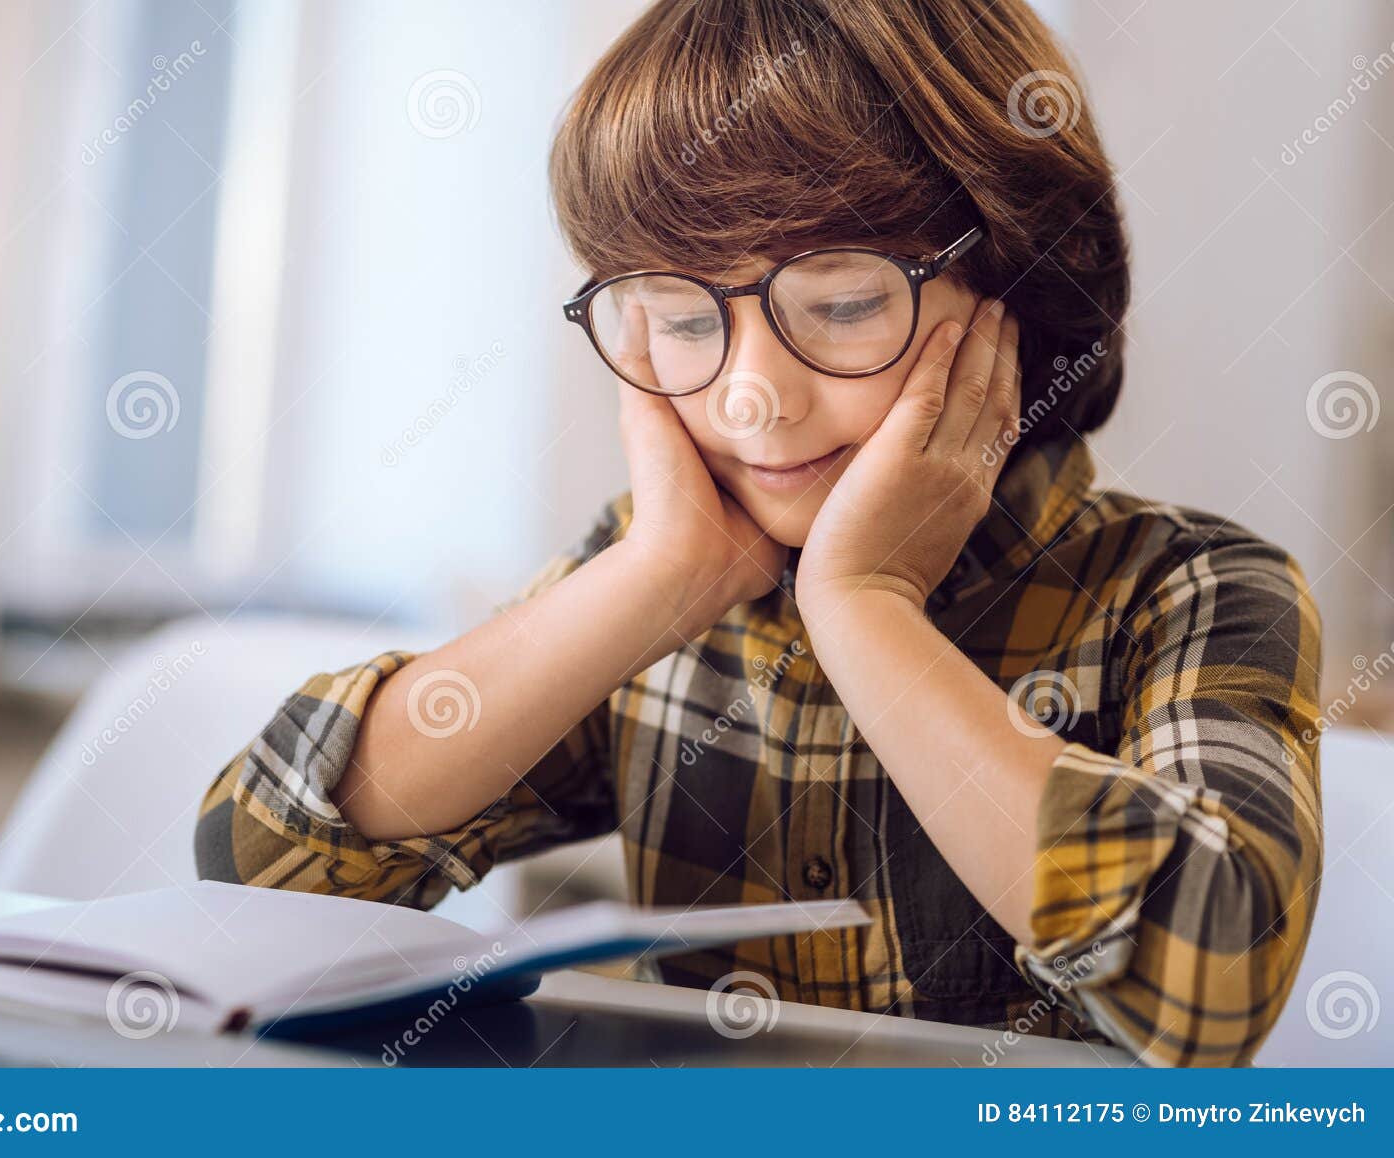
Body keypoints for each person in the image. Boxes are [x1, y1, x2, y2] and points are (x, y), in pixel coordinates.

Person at [196, 0, 1323, 1066]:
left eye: (838, 307)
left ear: (1017, 287)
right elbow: (260, 863)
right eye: (684, 320)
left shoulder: (1191, 590)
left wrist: (865, 608)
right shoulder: (665, 584)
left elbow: (1209, 984)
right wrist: (651, 577)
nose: (750, 399)